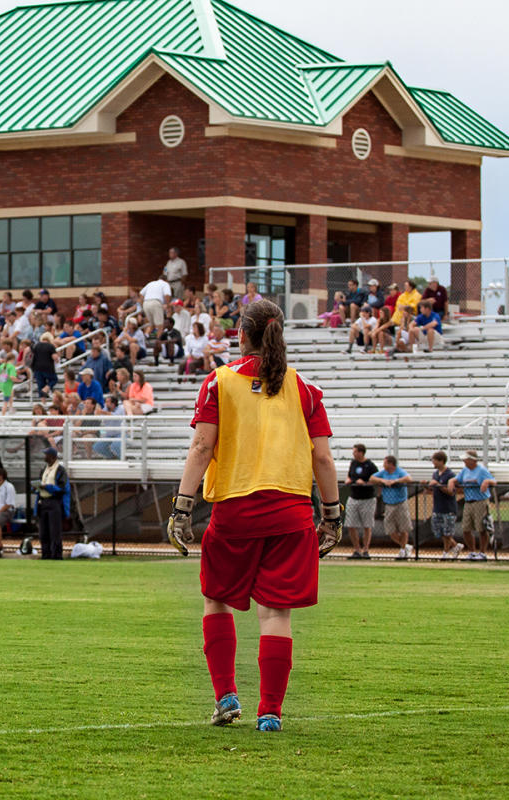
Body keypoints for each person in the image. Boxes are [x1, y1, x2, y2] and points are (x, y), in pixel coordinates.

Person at [166, 299, 339, 732]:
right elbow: (323, 458)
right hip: (292, 513)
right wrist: (333, 516)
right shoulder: (304, 388)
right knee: (277, 614)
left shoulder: (218, 382)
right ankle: (270, 713)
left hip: (236, 511)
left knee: (216, 598)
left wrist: (182, 507)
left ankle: (226, 697)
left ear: (241, 335)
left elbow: (202, 448)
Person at [451, 451, 496, 561]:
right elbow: (457, 479)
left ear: (472, 460)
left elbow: (494, 481)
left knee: (481, 528)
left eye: (466, 459)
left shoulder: (481, 470)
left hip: (480, 501)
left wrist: (486, 481)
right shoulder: (465, 471)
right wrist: (451, 481)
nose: (464, 461)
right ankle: (472, 552)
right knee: (466, 528)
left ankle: (483, 552)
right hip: (468, 501)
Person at [370, 455, 413, 559]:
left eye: (385, 463)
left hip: (400, 503)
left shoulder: (399, 472)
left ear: (390, 464)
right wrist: (383, 481)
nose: (383, 465)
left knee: (403, 528)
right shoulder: (383, 473)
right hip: (388, 504)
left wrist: (395, 481)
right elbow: (372, 478)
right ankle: (405, 546)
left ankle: (402, 550)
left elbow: (409, 478)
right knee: (390, 530)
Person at [426, 451, 463, 560]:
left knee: (447, 532)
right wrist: (427, 486)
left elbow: (451, 492)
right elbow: (434, 490)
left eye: (434, 461)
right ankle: (456, 546)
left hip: (448, 507)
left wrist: (438, 485)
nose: (433, 463)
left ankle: (446, 552)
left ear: (441, 461)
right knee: (439, 531)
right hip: (437, 506)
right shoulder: (435, 474)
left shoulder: (450, 475)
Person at [344, 443, 378, 559]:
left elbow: (376, 479)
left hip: (367, 498)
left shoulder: (370, 465)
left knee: (367, 525)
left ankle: (366, 550)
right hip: (354, 497)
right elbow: (350, 475)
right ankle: (357, 549)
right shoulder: (353, 463)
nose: (353, 454)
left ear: (361, 452)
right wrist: (349, 480)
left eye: (355, 451)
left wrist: (365, 484)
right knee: (351, 524)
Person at [35, 447, 69, 560]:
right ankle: (46, 554)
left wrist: (48, 487)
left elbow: (62, 488)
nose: (44, 457)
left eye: (46, 455)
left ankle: (56, 555)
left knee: (55, 531)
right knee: (43, 531)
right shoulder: (44, 469)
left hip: (54, 502)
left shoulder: (60, 470)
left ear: (52, 457)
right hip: (43, 502)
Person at [30, 333, 58, 398]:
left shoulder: (35, 346)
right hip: (48, 368)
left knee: (40, 385)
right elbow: (55, 357)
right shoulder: (50, 346)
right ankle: (47, 388)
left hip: (37, 368)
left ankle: (42, 400)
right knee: (54, 379)